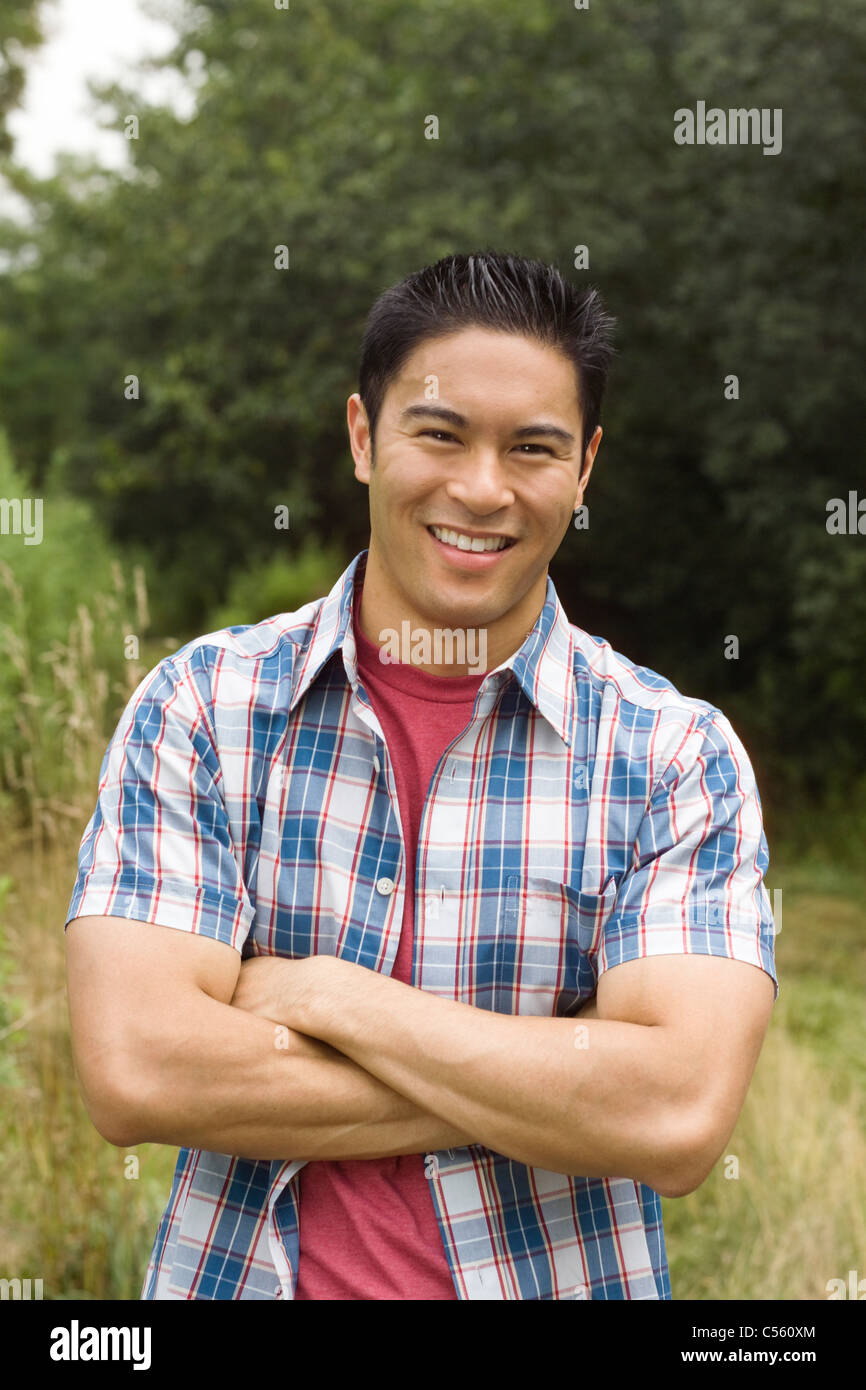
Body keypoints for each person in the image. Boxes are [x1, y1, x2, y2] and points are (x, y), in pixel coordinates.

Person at [65, 250, 777, 1301]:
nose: (479, 489)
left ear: (583, 469)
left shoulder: (674, 757)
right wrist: (555, 1078)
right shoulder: (203, 709)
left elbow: (671, 1119)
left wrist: (328, 996)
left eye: (530, 448)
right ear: (363, 436)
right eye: (438, 433)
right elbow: (137, 1071)